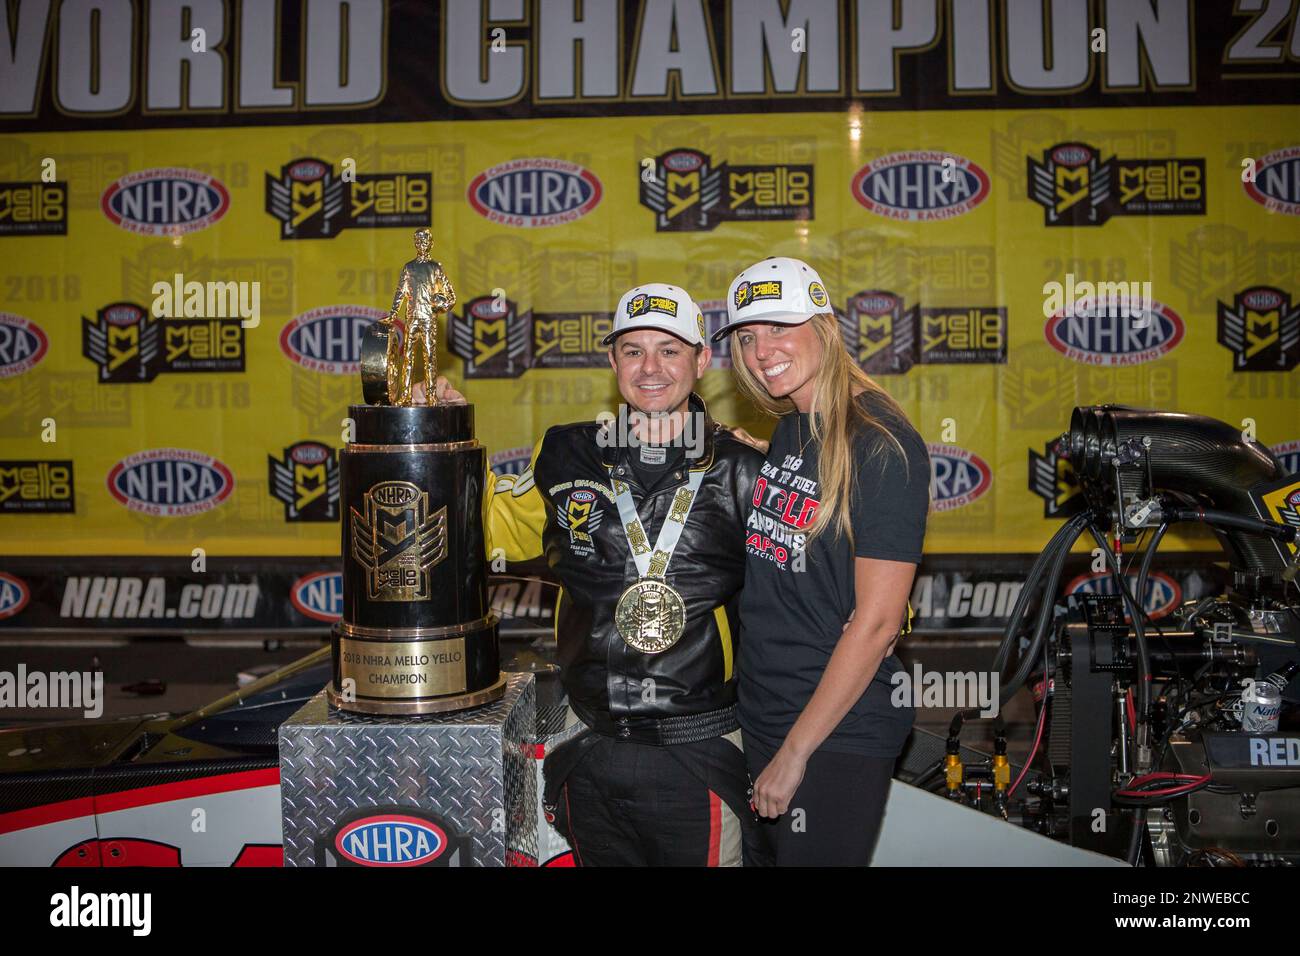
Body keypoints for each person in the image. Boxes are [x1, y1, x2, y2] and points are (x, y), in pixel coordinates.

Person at [427, 283, 765, 866]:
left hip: (698, 745)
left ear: (702, 360)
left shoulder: (744, 469)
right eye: (633, 351)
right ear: (612, 361)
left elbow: (815, 584)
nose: (650, 367)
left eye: (669, 350)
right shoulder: (568, 452)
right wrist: (444, 440)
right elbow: (487, 533)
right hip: (588, 741)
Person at [710, 256, 931, 866]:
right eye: (747, 337)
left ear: (826, 326)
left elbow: (878, 623)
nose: (761, 351)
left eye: (779, 328)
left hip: (833, 733)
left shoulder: (881, 443)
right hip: (766, 710)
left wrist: (795, 753)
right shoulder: (793, 429)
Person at [382, 228, 455, 405]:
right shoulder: (409, 267)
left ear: (431, 243)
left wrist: (440, 305)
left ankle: (431, 397)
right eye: (419, 241)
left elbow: (451, 297)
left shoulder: (435, 267)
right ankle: (406, 396)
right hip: (412, 319)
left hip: (428, 320)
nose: (422, 244)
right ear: (415, 243)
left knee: (430, 358)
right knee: (407, 359)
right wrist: (392, 315)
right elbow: (400, 292)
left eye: (425, 241)